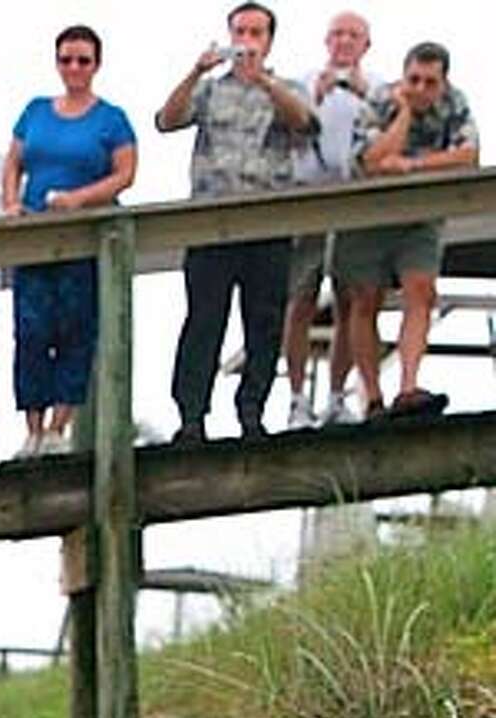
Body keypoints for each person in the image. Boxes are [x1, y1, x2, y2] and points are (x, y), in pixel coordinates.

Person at [155, 2, 315, 443]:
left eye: (255, 33)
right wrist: (195, 71)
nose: (246, 41)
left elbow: (305, 123)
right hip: (211, 222)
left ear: (269, 40)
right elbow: (166, 121)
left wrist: (262, 79)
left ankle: (252, 412)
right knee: (204, 320)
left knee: (263, 321)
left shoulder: (287, 86)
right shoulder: (208, 90)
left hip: (266, 223)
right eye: (240, 31)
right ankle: (191, 416)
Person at [1, 25, 138, 457]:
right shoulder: (36, 111)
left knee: (77, 329)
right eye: (66, 59)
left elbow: (125, 173)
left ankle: (60, 427)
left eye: (83, 60)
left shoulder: (111, 118)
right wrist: (11, 204)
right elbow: (14, 161)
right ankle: (33, 428)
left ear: (96, 65)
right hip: (36, 235)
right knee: (31, 329)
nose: (74, 68)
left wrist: (79, 199)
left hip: (84, 236)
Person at [338, 41, 479, 420]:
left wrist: (414, 166)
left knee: (422, 292)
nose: (420, 89)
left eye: (429, 82)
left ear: (443, 83)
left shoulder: (455, 104)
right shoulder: (380, 100)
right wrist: (403, 114)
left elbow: (468, 155)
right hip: (369, 215)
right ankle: (371, 397)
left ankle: (408, 387)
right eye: (413, 79)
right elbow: (370, 160)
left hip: (420, 216)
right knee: (365, 299)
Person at [283, 12, 378, 429]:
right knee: (299, 299)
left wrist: (363, 95)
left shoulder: (379, 88)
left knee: (350, 301)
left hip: (355, 201)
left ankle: (339, 396)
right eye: (337, 34)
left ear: (365, 45)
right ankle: (297, 397)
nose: (344, 42)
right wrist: (315, 100)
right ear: (326, 41)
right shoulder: (301, 83)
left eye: (353, 36)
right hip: (307, 199)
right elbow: (288, 133)